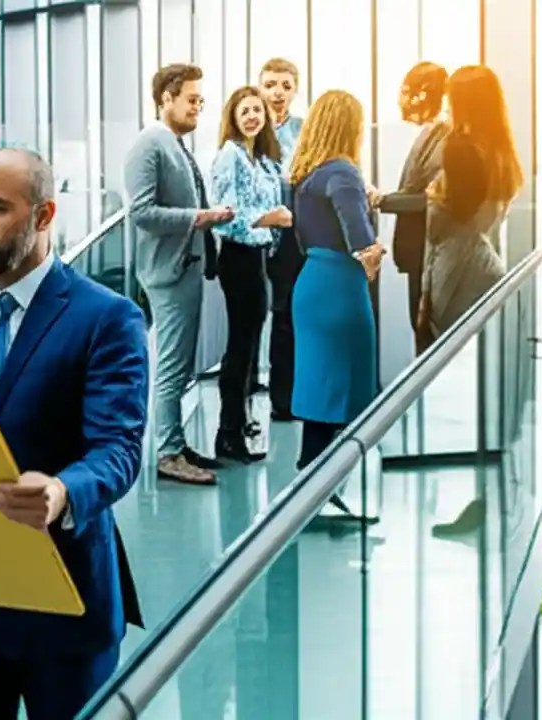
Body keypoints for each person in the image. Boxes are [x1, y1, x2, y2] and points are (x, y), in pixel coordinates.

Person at [0, 148, 147, 719]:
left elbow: (117, 448)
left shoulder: (106, 318)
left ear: (43, 216)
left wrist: (63, 491)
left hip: (59, 603)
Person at [124, 62, 233, 485]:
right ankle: (168, 454)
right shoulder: (149, 145)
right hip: (168, 274)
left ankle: (175, 442)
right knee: (171, 367)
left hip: (185, 269)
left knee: (180, 364)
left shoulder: (174, 145)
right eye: (191, 99)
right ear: (165, 99)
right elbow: (143, 213)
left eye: (201, 101)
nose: (197, 108)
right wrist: (199, 217)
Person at [289, 91, 385, 517]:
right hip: (340, 289)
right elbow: (360, 240)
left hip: (312, 282)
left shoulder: (308, 174)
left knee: (319, 392)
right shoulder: (344, 171)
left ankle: (311, 484)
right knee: (347, 392)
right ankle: (322, 489)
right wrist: (374, 255)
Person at [208, 85, 292, 461]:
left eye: (257, 110)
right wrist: (266, 219)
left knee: (251, 343)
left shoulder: (260, 157)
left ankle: (239, 423)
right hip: (239, 256)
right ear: (234, 117)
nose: (253, 116)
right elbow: (224, 215)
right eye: (246, 111)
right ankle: (228, 434)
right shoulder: (230, 156)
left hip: (258, 255)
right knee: (240, 347)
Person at [417, 65, 523, 347]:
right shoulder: (501, 152)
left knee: (443, 352)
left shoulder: (460, 148)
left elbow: (447, 218)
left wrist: (432, 197)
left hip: (456, 267)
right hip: (490, 264)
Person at [372, 61, 450, 337]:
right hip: (417, 252)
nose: (402, 100)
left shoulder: (447, 139)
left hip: (429, 250)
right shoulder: (431, 134)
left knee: (428, 333)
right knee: (419, 329)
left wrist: (382, 201)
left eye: (408, 91)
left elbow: (433, 199)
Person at [258, 57, 306, 421]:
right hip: (257, 232)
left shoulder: (304, 130)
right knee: (255, 315)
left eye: (286, 86)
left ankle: (287, 398)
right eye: (271, 84)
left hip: (295, 233)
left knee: (289, 313)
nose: (278, 92)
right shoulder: (249, 126)